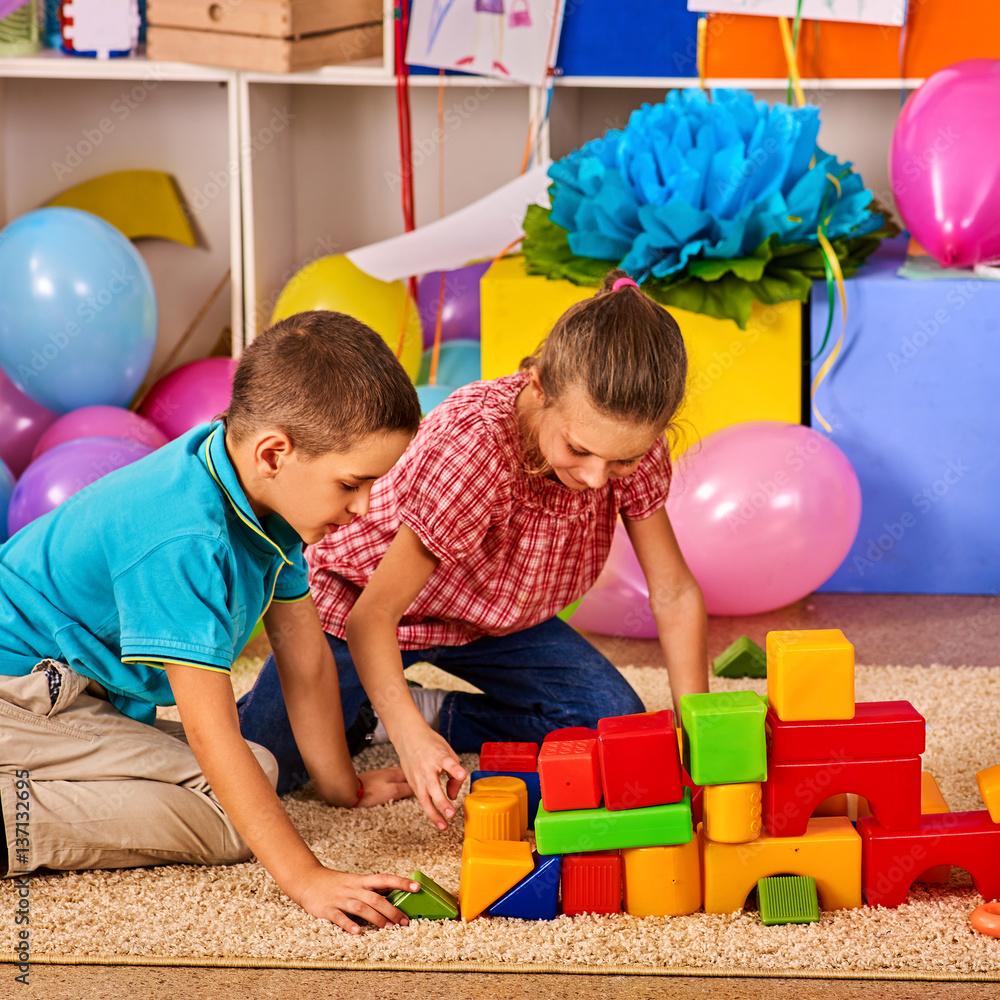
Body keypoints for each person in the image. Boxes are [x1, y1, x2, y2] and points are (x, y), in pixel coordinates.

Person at [0, 311, 424, 934]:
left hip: (69, 697)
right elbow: (209, 730)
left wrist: (343, 789)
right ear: (275, 452)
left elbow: (304, 660)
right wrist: (306, 878)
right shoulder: (182, 535)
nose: (363, 508)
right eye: (352, 484)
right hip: (19, 693)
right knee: (230, 817)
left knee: (263, 772)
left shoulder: (257, 488)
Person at [239, 271, 709, 833]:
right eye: (579, 449)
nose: (595, 477)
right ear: (537, 386)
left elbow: (674, 591)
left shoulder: (627, 446)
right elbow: (374, 616)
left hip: (495, 622)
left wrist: (694, 730)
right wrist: (411, 739)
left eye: (621, 462)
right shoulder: (474, 448)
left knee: (616, 727)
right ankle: (388, 709)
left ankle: (416, 710)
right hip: (367, 607)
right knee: (266, 763)